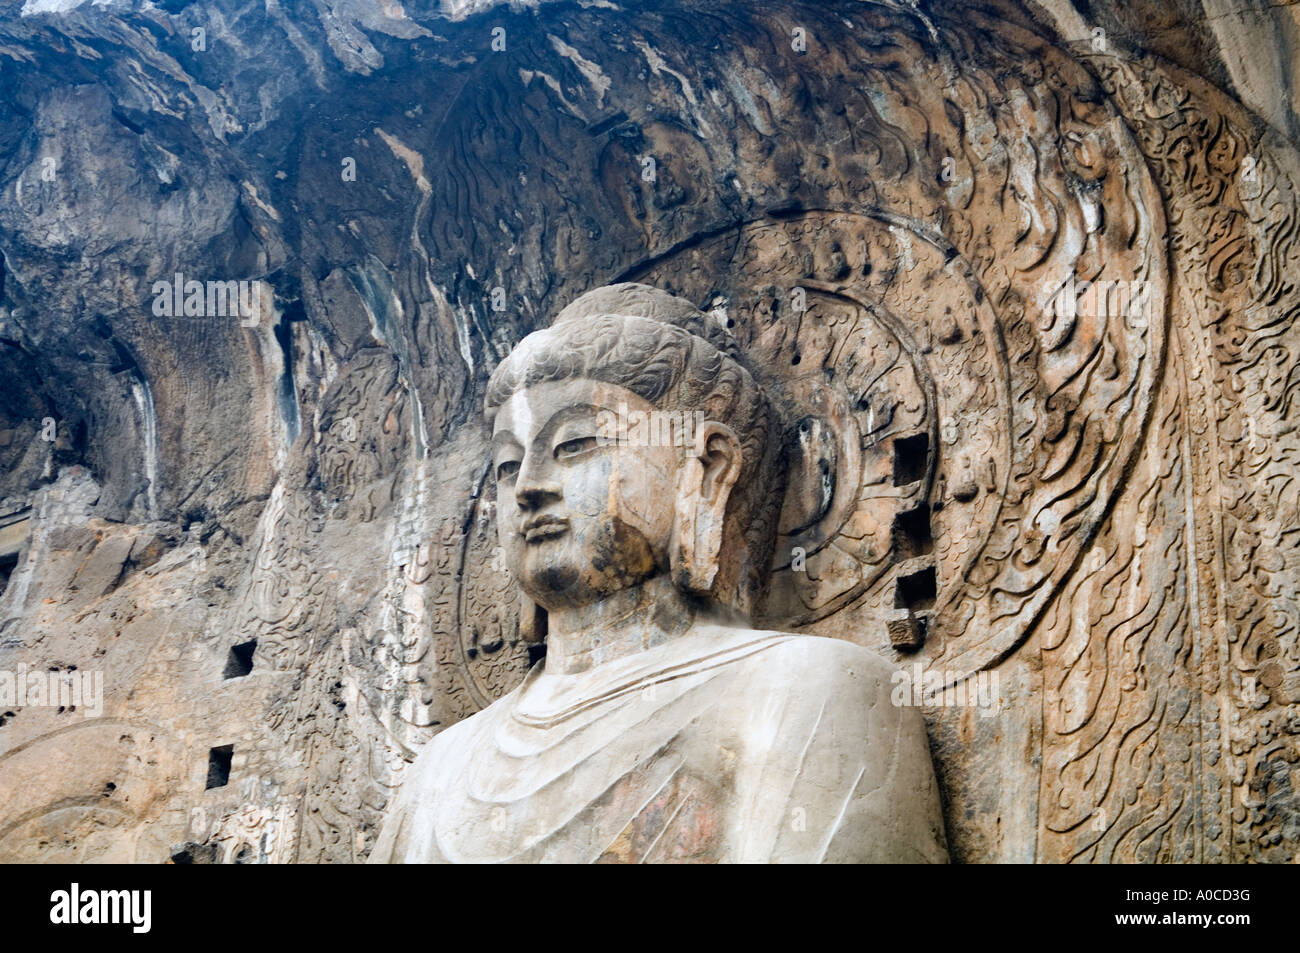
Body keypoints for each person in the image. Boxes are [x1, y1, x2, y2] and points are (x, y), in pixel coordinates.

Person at [370, 283, 948, 863]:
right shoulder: (437, 773)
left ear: (708, 465)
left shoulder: (806, 689)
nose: (529, 488)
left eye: (576, 444)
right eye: (507, 465)